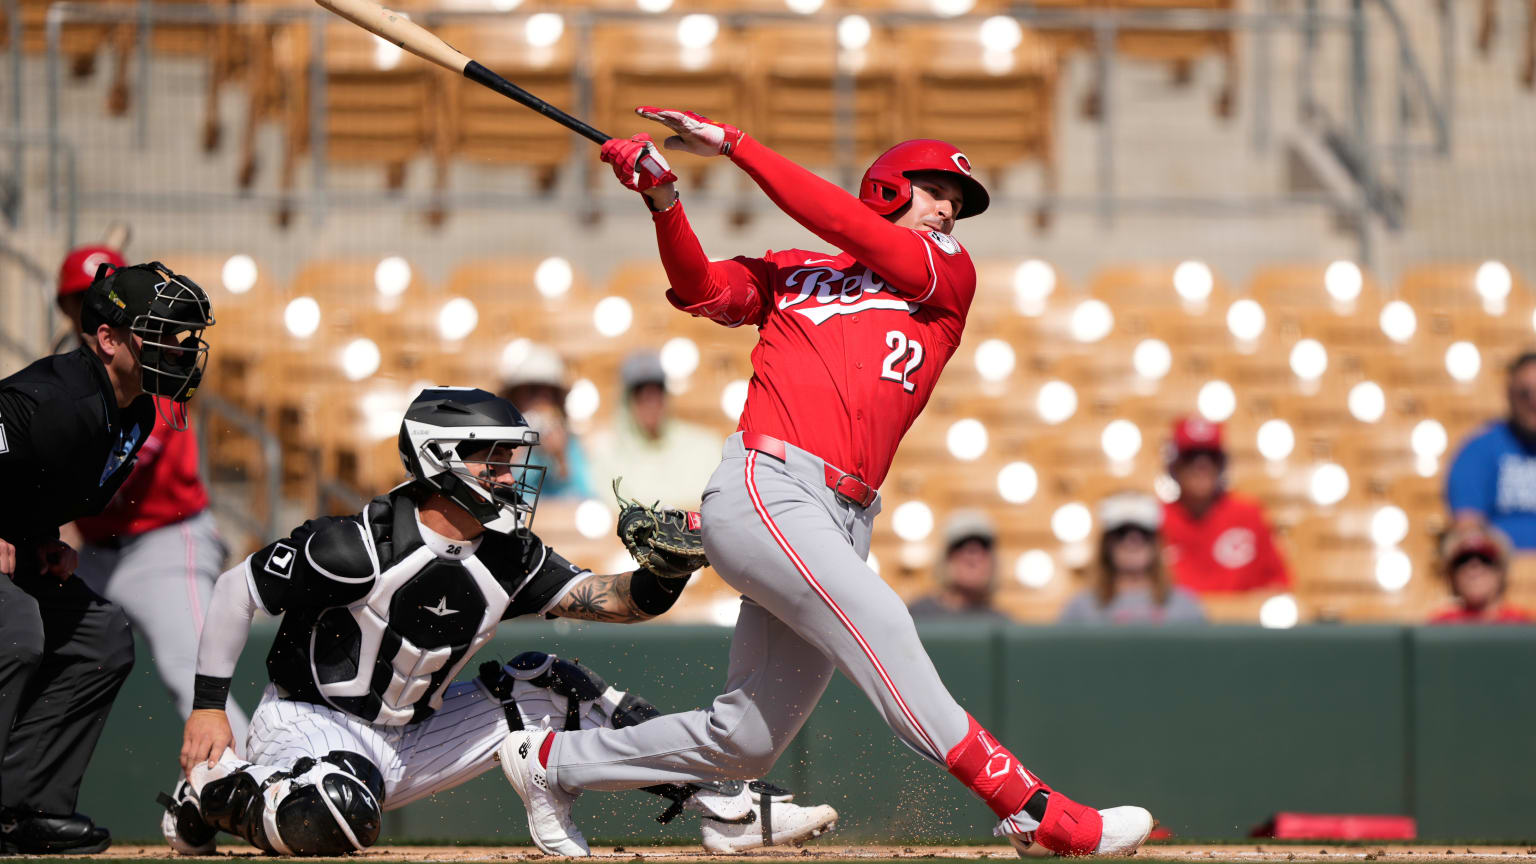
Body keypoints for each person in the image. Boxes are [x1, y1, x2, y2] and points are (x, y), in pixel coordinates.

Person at [493, 109, 1153, 859]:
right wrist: (663, 202)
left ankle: (550, 763)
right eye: (935, 191)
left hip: (843, 515)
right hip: (769, 482)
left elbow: (845, 225)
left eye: (957, 202)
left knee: (744, 742)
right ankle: (1029, 808)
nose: (948, 210)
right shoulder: (794, 271)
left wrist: (737, 145)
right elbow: (702, 288)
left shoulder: (944, 274)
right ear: (889, 187)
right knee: (883, 622)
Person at [167, 388, 836, 857]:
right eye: (494, 457)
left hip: (414, 733)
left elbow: (610, 600)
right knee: (340, 815)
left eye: (510, 458)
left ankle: (723, 804)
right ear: (441, 457)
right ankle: (213, 790)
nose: (510, 474)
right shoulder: (357, 544)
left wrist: (665, 573)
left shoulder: (510, 555)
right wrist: (209, 709)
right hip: (310, 723)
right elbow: (233, 591)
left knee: (557, 682)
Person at [0, 261, 214, 854]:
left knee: (101, 636)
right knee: (15, 628)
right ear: (108, 338)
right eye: (161, 335)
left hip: (16, 549)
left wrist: (40, 540)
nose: (179, 350)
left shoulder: (133, 411)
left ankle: (24, 810)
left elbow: (29, 484)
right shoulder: (58, 400)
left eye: (183, 337)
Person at [50, 244, 251, 752]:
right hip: (94, 554)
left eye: (97, 294)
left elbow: (114, 466)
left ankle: (256, 782)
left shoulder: (158, 365)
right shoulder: (61, 376)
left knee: (197, 676)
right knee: (35, 654)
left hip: (166, 543)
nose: (87, 305)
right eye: (78, 299)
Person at [1161, 416, 1290, 593]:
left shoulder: (1248, 515)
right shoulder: (1156, 519)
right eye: (1190, 457)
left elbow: (1278, 583)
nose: (1201, 465)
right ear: (1174, 466)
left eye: (1211, 457)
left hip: (1240, 611)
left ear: (1222, 464)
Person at [588, 350, 721, 510]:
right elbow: (611, 511)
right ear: (627, 401)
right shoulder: (607, 454)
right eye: (640, 394)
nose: (650, 402)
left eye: (657, 392)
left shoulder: (705, 446)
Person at [1058, 492, 1206, 625]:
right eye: (1121, 533)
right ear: (1106, 543)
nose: (1132, 541)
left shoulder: (1184, 608)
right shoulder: (1082, 609)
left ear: (1156, 542)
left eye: (1143, 533)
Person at [1446, 352, 1536, 549]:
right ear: (1509, 394)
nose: (1533, 402)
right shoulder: (1478, 450)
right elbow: (1467, 527)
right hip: (1502, 563)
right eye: (1525, 393)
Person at [498, 341, 596, 500]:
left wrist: (561, 459)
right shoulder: (498, 444)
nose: (541, 399)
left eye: (549, 392)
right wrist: (512, 457)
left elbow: (585, 496)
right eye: (532, 390)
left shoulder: (570, 445)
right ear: (514, 397)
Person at [907, 510, 1011, 622]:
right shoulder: (916, 616)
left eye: (983, 547)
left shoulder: (1001, 625)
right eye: (960, 546)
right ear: (946, 558)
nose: (972, 558)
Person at [1428, 519, 1533, 624]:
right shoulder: (1442, 625)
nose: (1474, 570)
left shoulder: (1522, 623)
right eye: (1463, 560)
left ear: (1501, 570)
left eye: (1485, 559)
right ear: (1451, 574)